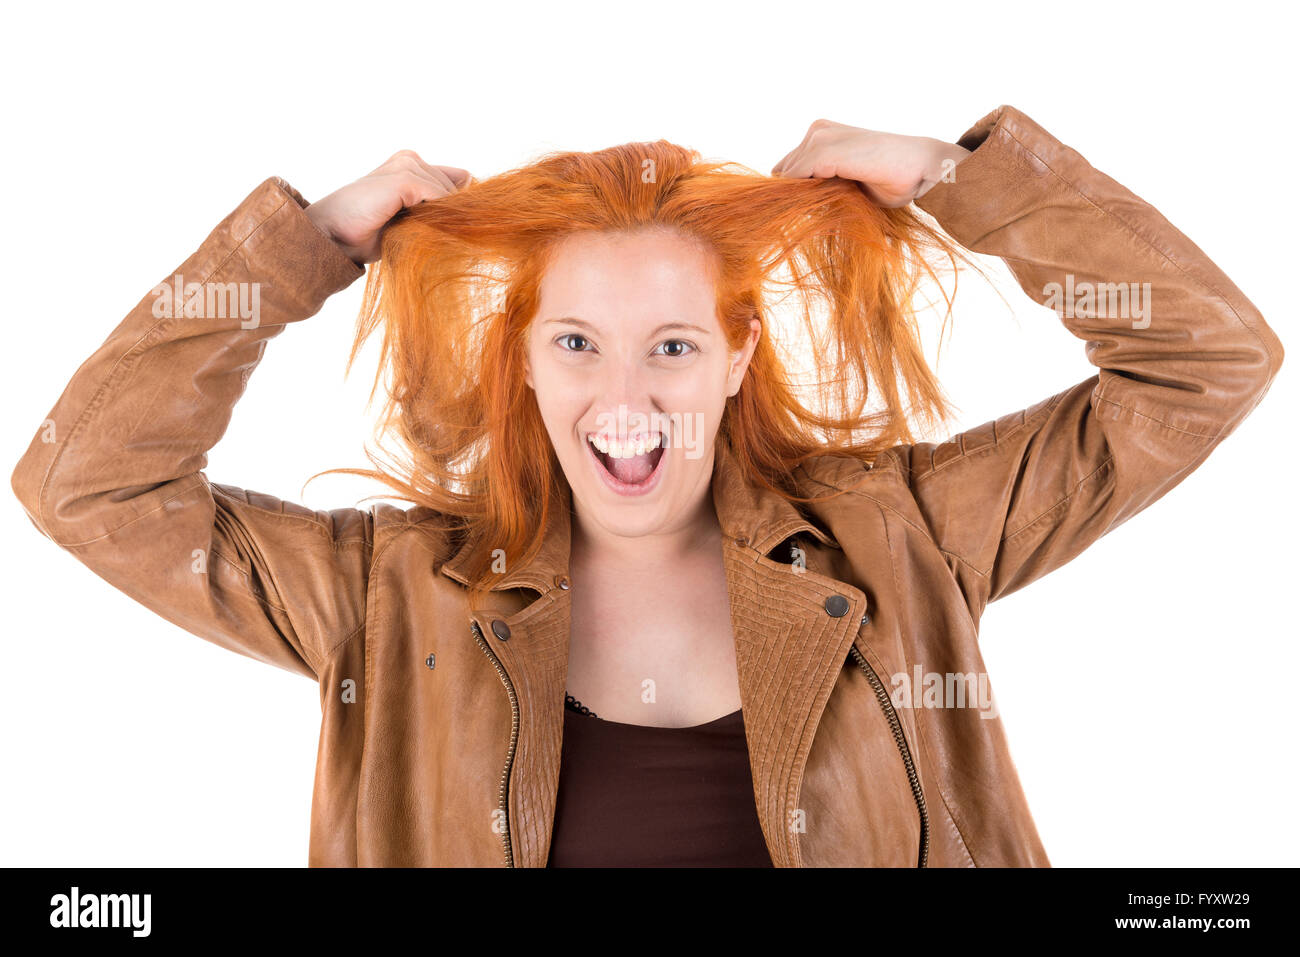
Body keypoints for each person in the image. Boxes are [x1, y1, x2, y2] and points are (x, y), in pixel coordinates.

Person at [11, 106, 1284, 867]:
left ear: (735, 356)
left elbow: (1205, 364)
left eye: (672, 346)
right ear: (525, 357)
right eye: (576, 342)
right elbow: (90, 486)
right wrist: (305, 245)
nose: (624, 397)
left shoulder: (901, 540)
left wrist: (959, 175)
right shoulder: (387, 600)